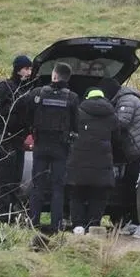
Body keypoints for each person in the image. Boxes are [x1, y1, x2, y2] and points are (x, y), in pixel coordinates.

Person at [25, 62, 80, 233]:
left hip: (40, 145)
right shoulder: (72, 98)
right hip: (60, 148)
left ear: (54, 76)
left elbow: (27, 114)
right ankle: (56, 225)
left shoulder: (38, 93)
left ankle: (34, 222)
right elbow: (76, 125)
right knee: (58, 187)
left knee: (37, 185)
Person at [99, 76, 140, 237]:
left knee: (137, 186)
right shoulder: (121, 100)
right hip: (136, 151)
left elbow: (121, 123)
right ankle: (131, 220)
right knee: (130, 185)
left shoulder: (127, 100)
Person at [0, 54, 32, 223]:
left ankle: (11, 216)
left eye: (30, 69)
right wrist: (13, 106)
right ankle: (1, 217)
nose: (29, 72)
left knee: (15, 182)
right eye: (26, 68)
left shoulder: (26, 89)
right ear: (18, 69)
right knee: (3, 181)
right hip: (4, 139)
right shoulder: (5, 87)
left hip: (19, 140)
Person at [67, 88, 118, 234]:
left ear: (87, 98)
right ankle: (93, 225)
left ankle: (78, 225)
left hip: (78, 163)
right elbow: (117, 138)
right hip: (102, 164)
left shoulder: (78, 113)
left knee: (77, 194)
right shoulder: (112, 115)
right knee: (98, 196)